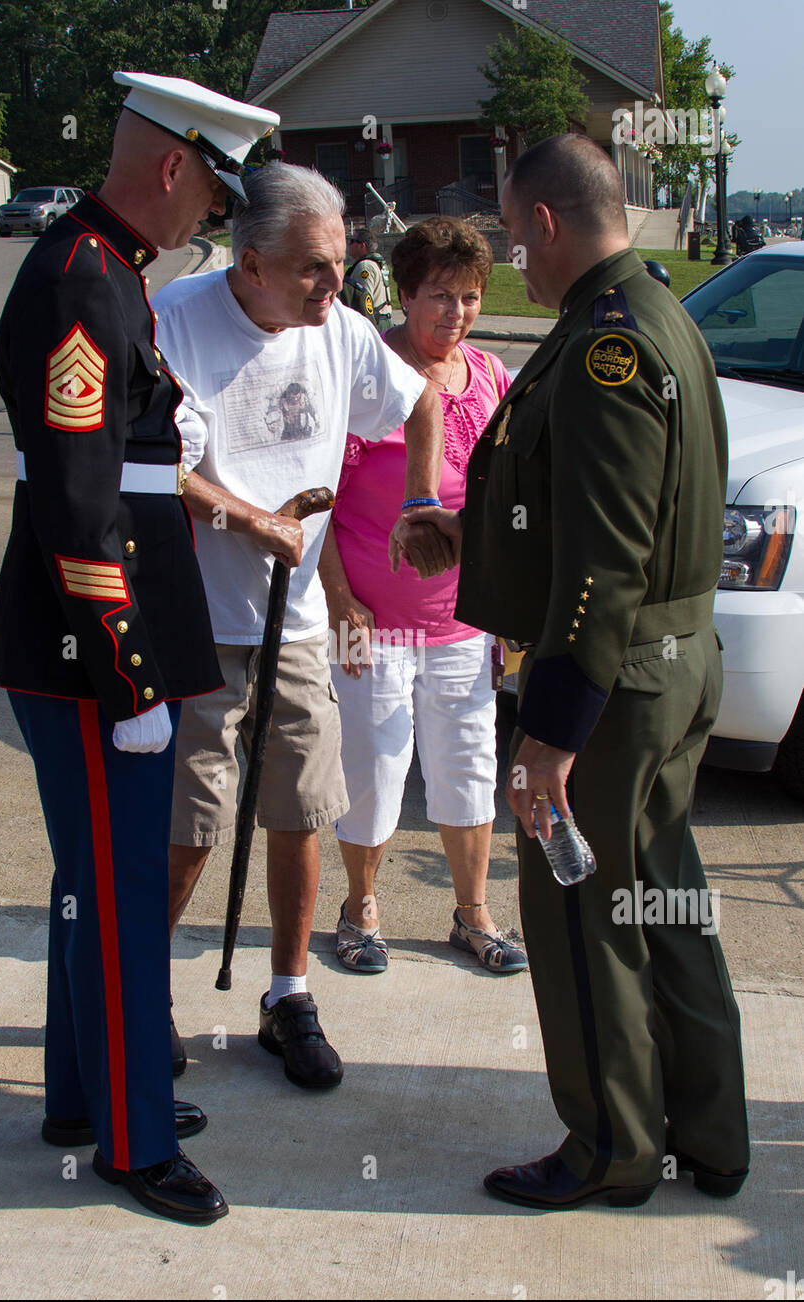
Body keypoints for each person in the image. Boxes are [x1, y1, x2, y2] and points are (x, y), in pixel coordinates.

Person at [408, 134, 749, 1210]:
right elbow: (596, 507)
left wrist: (552, 733)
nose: (514, 258)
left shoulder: (603, 343)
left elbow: (604, 557)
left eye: (515, 236)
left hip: (607, 682)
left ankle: (608, 1147)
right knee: (660, 899)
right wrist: (473, 535)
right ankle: (709, 1131)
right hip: (670, 664)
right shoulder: (656, 317)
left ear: (548, 221)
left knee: (578, 917)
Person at [0, 70, 279, 1224]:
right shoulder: (83, 283)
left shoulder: (107, 271)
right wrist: (128, 675)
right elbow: (76, 502)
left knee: (88, 885)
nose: (213, 212)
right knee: (113, 896)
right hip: (94, 651)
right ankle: (131, 1138)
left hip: (100, 642)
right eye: (211, 186)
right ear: (171, 165)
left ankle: (81, 1096)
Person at [153, 162, 445, 1089]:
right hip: (198, 622)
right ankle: (140, 994)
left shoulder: (344, 333)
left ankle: (288, 993)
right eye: (314, 268)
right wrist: (250, 519)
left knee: (303, 807)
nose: (335, 286)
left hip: (300, 624)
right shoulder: (177, 322)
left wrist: (424, 500)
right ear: (250, 262)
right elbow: (153, 462)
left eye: (343, 263)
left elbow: (423, 401)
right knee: (191, 819)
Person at [318, 217, 527, 977]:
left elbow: (510, 500)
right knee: (373, 768)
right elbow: (317, 507)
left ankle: (473, 914)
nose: (456, 313)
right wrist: (341, 604)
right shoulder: (368, 380)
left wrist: (503, 608)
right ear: (405, 294)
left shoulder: (493, 378)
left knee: (470, 765)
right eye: (440, 294)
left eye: (470, 296)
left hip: (461, 624)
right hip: (366, 622)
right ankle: (359, 910)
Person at [343, 225, 393, 331]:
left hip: (375, 323)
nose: (349, 245)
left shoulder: (365, 267)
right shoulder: (377, 263)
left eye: (352, 241)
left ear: (362, 245)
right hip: (383, 321)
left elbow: (363, 301)